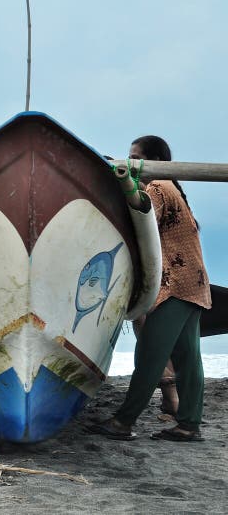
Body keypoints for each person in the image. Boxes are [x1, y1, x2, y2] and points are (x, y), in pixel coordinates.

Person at [89, 135, 211, 442]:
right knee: (187, 357)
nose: (130, 164)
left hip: (174, 286)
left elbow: (141, 216)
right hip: (194, 284)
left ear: (153, 160)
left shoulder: (158, 188)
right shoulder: (173, 188)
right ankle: (188, 424)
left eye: (134, 158)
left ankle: (123, 422)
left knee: (149, 355)